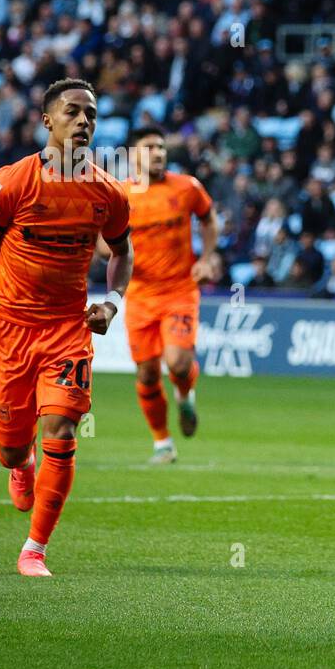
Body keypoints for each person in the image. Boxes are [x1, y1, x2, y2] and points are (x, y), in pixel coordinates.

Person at [0, 78, 133, 577]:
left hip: (67, 330)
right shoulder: (13, 182)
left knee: (61, 430)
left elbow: (123, 252)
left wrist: (111, 302)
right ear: (47, 120)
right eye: (72, 112)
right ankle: (21, 466)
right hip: (12, 330)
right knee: (12, 447)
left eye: (91, 115)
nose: (84, 121)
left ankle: (34, 549)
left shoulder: (107, 192)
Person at [112, 126, 219, 463]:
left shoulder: (187, 187)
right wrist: (107, 250)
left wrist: (207, 258)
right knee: (145, 373)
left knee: (177, 362)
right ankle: (162, 443)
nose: (158, 152)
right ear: (133, 155)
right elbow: (103, 238)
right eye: (149, 147)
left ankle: (185, 396)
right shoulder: (121, 194)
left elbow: (209, 218)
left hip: (179, 291)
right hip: (139, 295)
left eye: (161, 146)